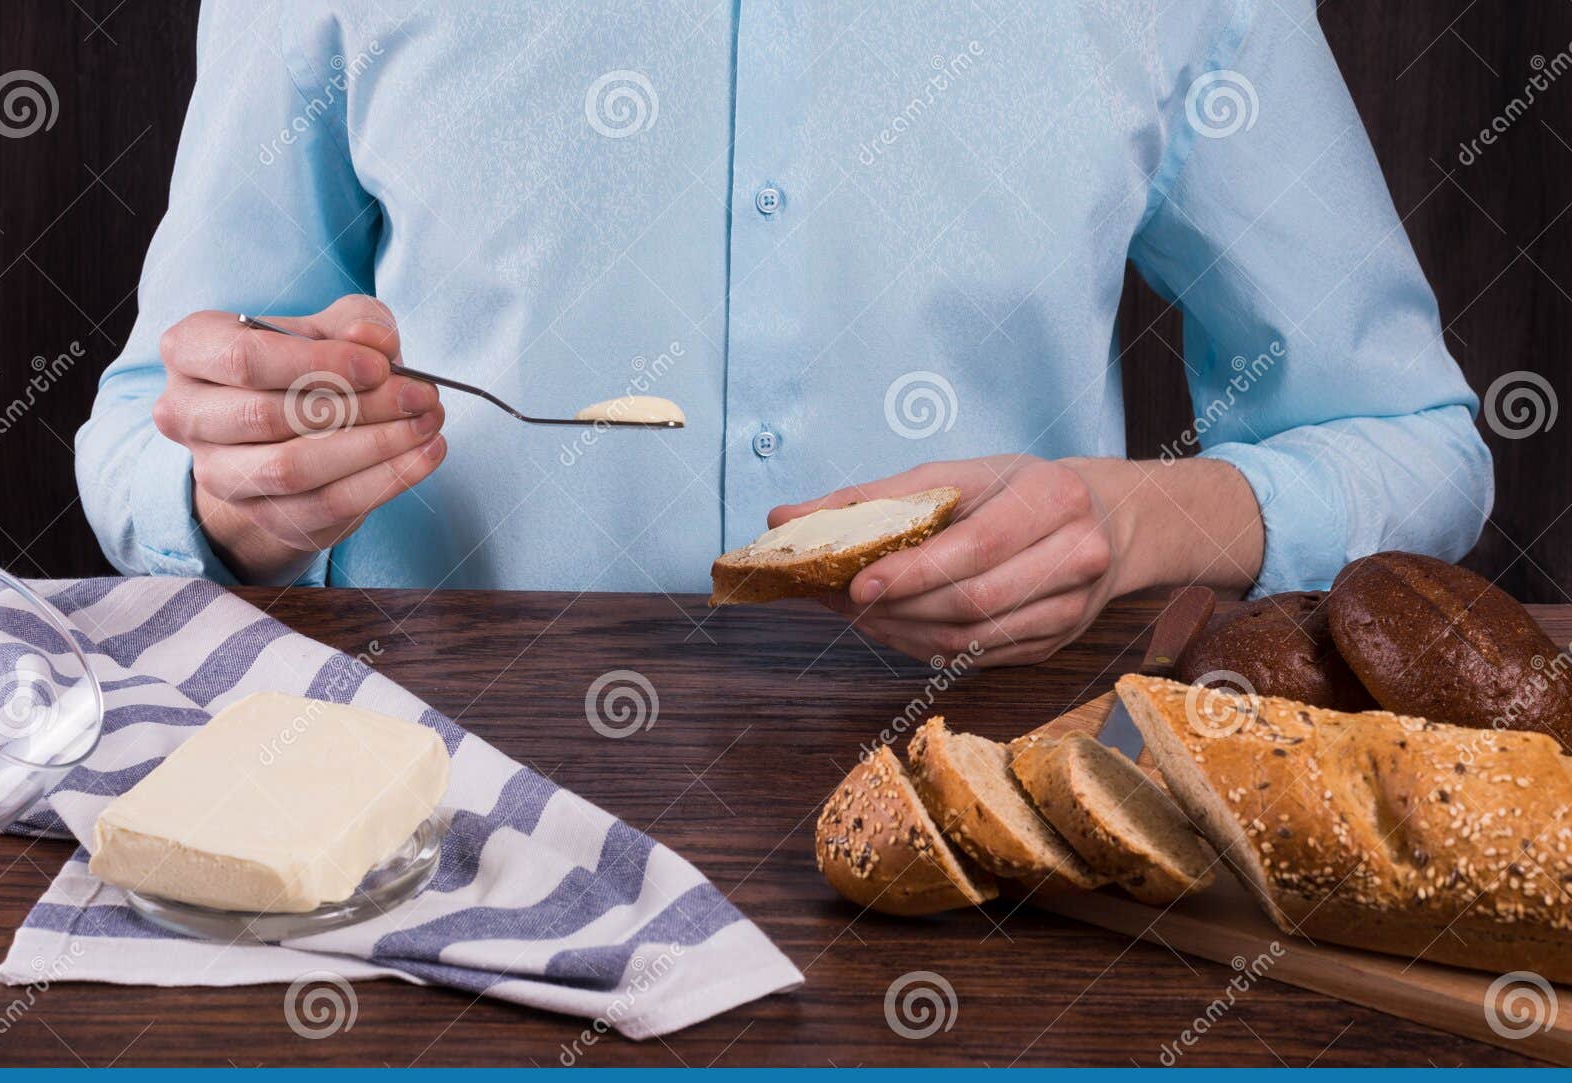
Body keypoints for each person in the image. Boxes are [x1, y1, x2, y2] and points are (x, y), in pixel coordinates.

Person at [77, 1, 1492, 667]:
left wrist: (1143, 523)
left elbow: (1415, 440)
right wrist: (235, 492)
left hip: (997, 848)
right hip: (408, 829)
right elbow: (148, 422)